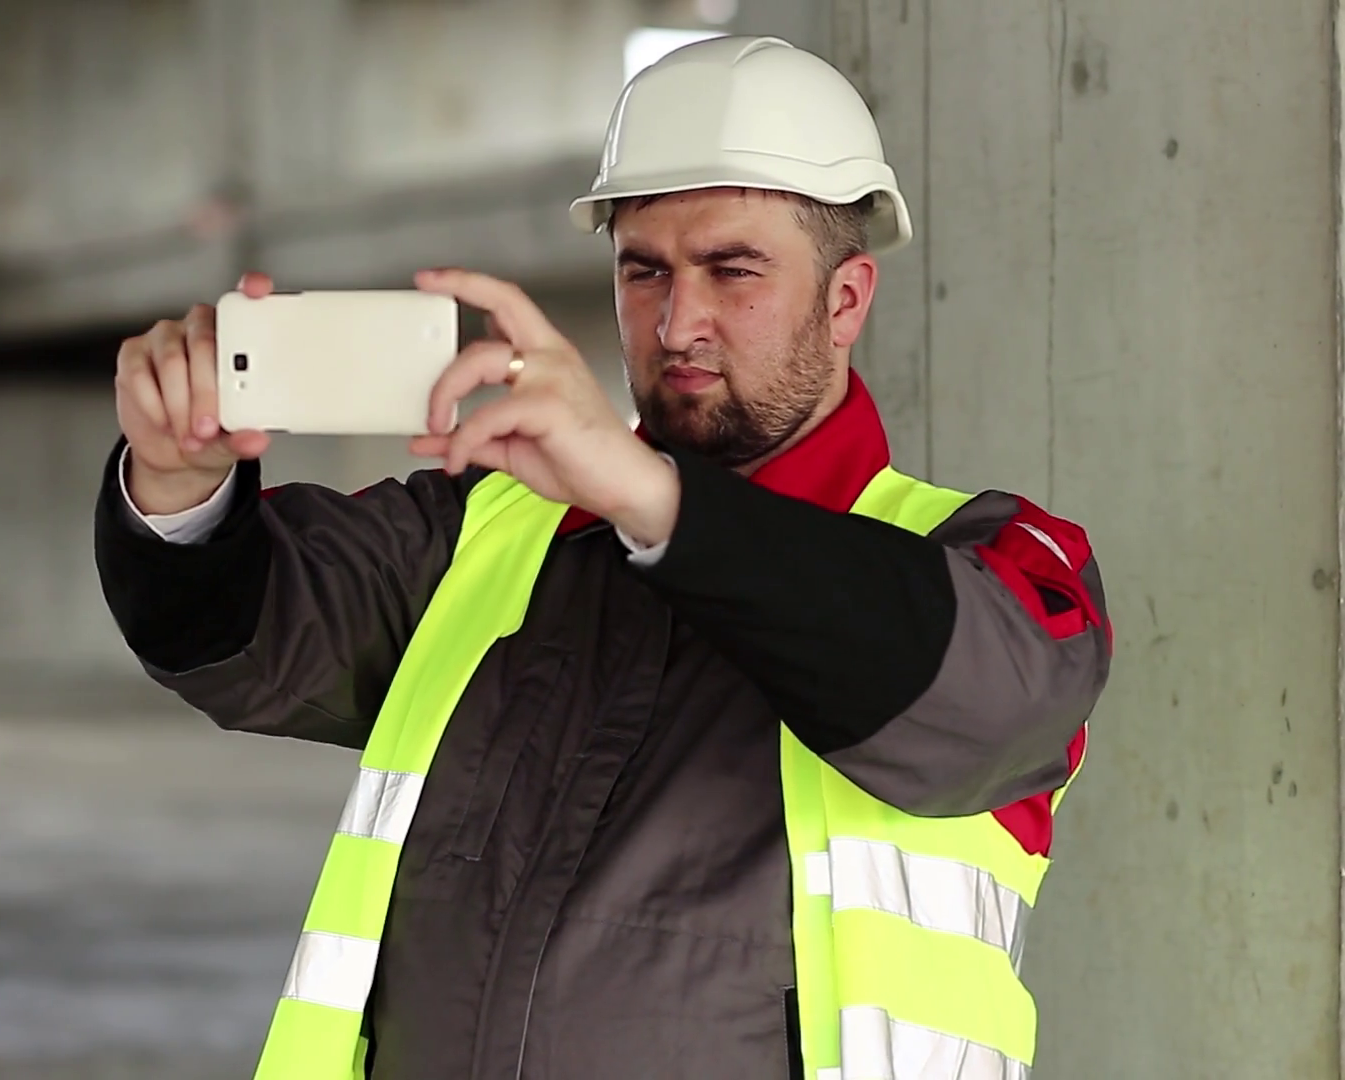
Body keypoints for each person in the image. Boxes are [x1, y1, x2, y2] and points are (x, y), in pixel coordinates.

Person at [95, 35, 1110, 1080]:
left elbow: (969, 704)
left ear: (846, 299)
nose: (678, 323)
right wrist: (176, 478)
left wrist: (657, 505)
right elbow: (241, 634)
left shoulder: (996, 563)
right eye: (644, 271)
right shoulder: (492, 530)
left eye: (733, 271)